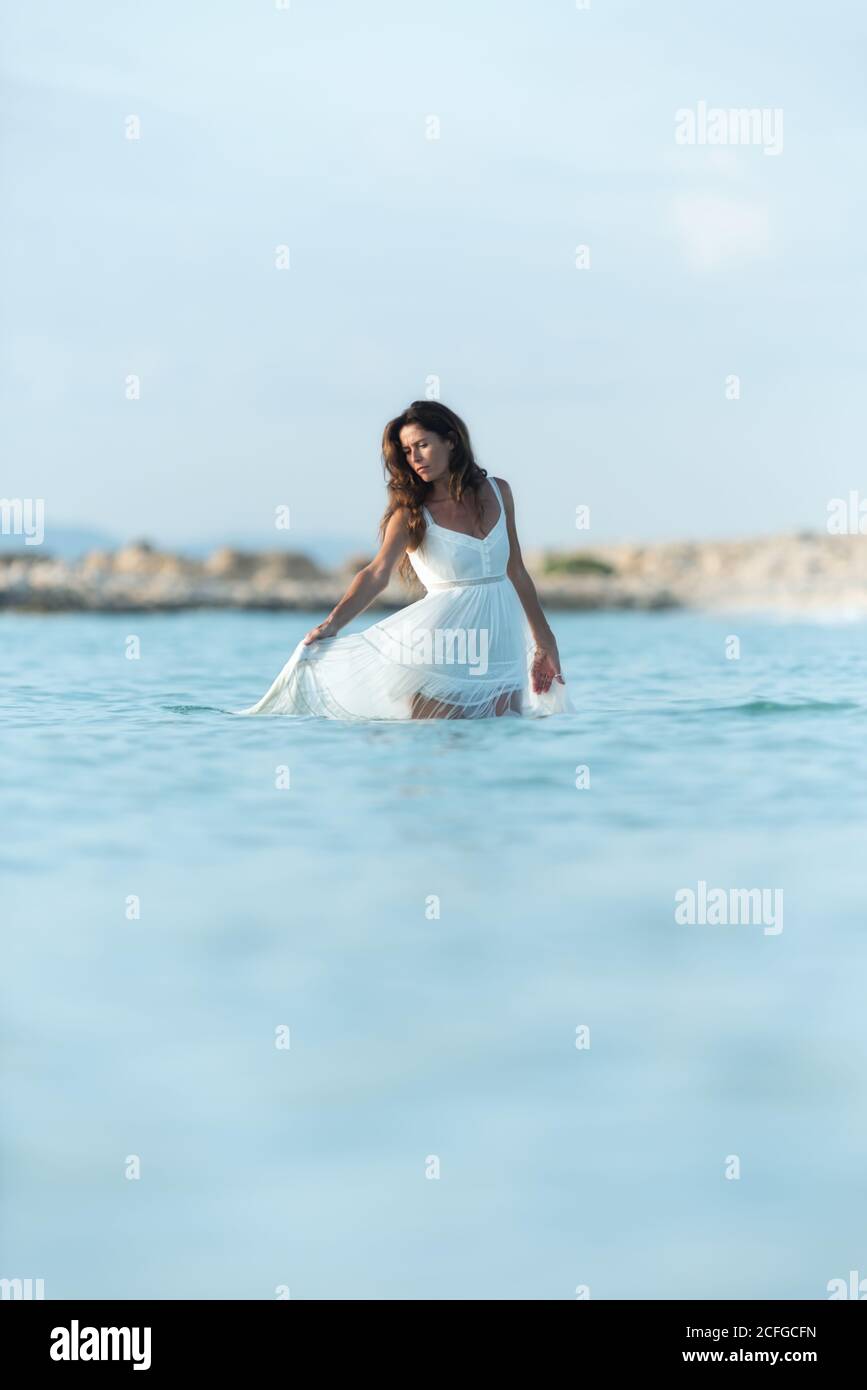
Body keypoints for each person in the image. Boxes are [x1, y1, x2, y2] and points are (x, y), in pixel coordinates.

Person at [239, 401, 569, 720]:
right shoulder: (411, 513)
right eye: (407, 451)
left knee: (501, 741)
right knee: (435, 748)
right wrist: (332, 624)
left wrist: (545, 642)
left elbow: (517, 572)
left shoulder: (498, 492)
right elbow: (377, 574)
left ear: (451, 441)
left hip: (500, 644)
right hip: (438, 644)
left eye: (422, 445)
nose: (414, 458)